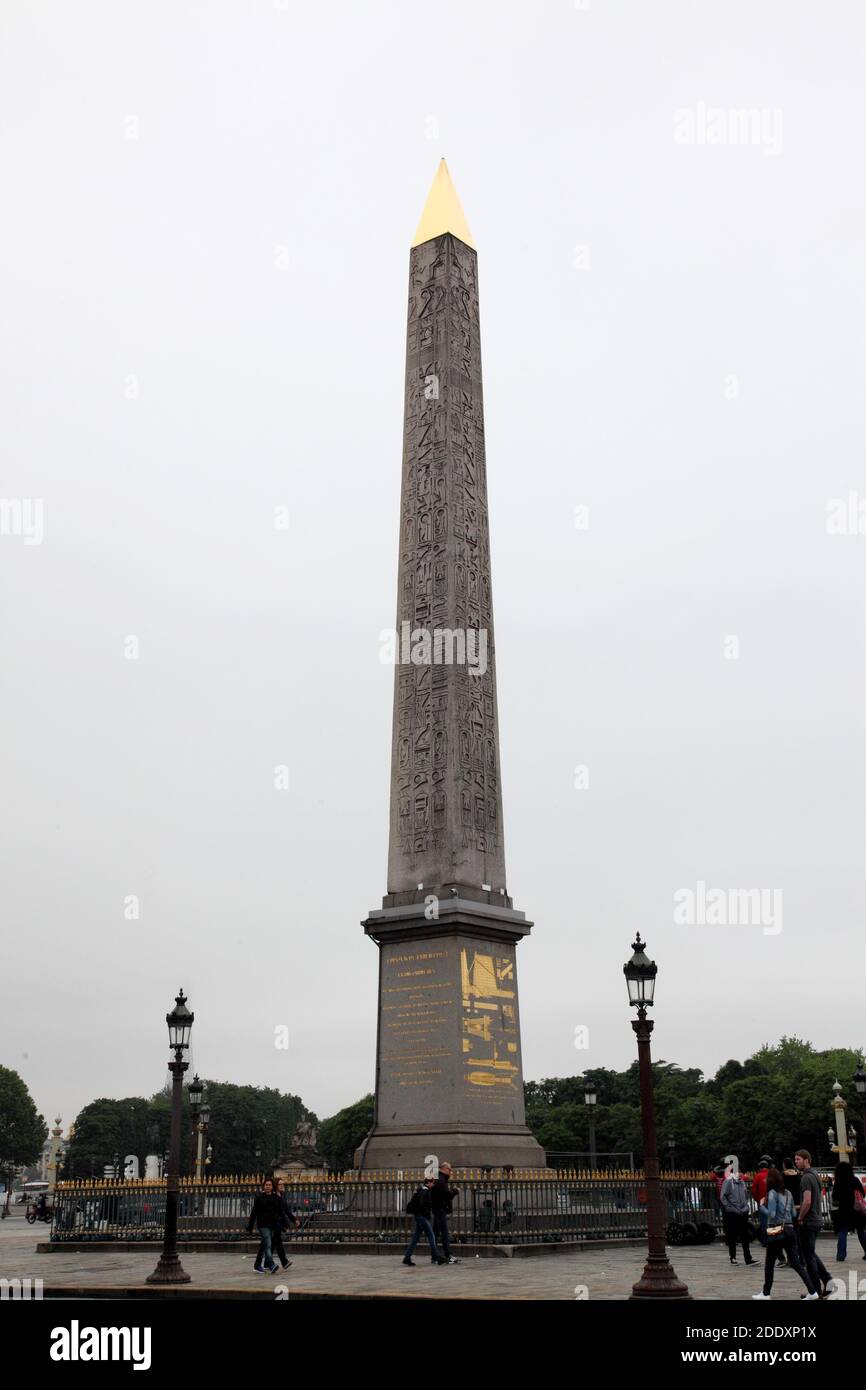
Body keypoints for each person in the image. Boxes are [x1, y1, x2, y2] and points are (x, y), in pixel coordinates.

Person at [751, 1167, 817, 1300]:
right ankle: (812, 1291)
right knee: (796, 1263)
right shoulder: (788, 1193)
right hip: (790, 1229)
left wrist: (761, 1206)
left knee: (769, 1263)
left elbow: (772, 1214)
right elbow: (793, 1214)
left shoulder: (772, 1193)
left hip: (776, 1230)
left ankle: (765, 1293)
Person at [794, 1150, 830, 1298]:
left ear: (807, 1160)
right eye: (795, 1160)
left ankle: (815, 1291)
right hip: (816, 1219)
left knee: (808, 1257)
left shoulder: (806, 1178)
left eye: (798, 1159)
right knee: (811, 1254)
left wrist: (800, 1217)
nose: (796, 1162)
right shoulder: (815, 1175)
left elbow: (807, 1200)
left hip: (808, 1221)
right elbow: (816, 1199)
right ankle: (828, 1281)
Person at [246, 1178, 286, 1274]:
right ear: (263, 1186)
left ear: (272, 1187)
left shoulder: (276, 1198)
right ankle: (271, 1265)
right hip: (263, 1224)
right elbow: (254, 1212)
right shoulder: (259, 1198)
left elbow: (280, 1212)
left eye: (269, 1185)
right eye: (266, 1185)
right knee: (268, 1244)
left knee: (265, 1245)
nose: (268, 1186)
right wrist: (250, 1226)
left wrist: (283, 1224)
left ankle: (257, 1265)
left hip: (273, 1224)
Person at [402, 1178, 445, 1267]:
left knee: (415, 1238)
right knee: (431, 1236)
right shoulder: (425, 1192)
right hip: (422, 1217)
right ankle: (436, 1256)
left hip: (419, 1217)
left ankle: (407, 1257)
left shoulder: (421, 1190)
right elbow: (422, 1205)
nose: (433, 1185)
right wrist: (426, 1214)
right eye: (432, 1183)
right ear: (428, 1183)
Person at [719, 1165, 756, 1266]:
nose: (740, 1174)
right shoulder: (728, 1182)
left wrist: (746, 1207)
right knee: (732, 1235)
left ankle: (748, 1258)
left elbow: (745, 1196)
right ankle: (733, 1257)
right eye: (738, 1172)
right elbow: (723, 1197)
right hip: (732, 1213)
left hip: (743, 1212)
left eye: (741, 1172)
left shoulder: (742, 1183)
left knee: (745, 1236)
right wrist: (729, 1208)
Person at [830, 1161, 866, 1262]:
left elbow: (835, 1196)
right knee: (861, 1231)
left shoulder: (838, 1181)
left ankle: (841, 1255)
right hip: (856, 1211)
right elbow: (862, 1193)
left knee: (843, 1232)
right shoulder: (854, 1180)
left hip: (843, 1211)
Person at [430, 1161, 459, 1264]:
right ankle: (448, 1254)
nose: (450, 1172)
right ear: (445, 1169)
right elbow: (446, 1195)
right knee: (444, 1233)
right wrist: (455, 1191)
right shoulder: (441, 1180)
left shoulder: (438, 1178)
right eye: (450, 1169)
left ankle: (434, 1256)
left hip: (436, 1208)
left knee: (435, 1233)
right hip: (440, 1208)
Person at [272, 1179, 301, 1270]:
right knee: (276, 1243)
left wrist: (294, 1220)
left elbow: (286, 1211)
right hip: (273, 1223)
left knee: (273, 1244)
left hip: (279, 1223)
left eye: (283, 1184)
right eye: (280, 1184)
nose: (282, 1186)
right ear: (276, 1185)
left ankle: (268, 1263)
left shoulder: (281, 1196)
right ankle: (283, 1262)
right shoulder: (273, 1196)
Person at [751, 1156, 774, 1246]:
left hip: (762, 1202)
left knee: (764, 1221)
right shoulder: (772, 1175)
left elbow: (753, 1191)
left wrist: (757, 1199)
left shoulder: (758, 1176)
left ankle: (765, 1240)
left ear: (760, 1168)